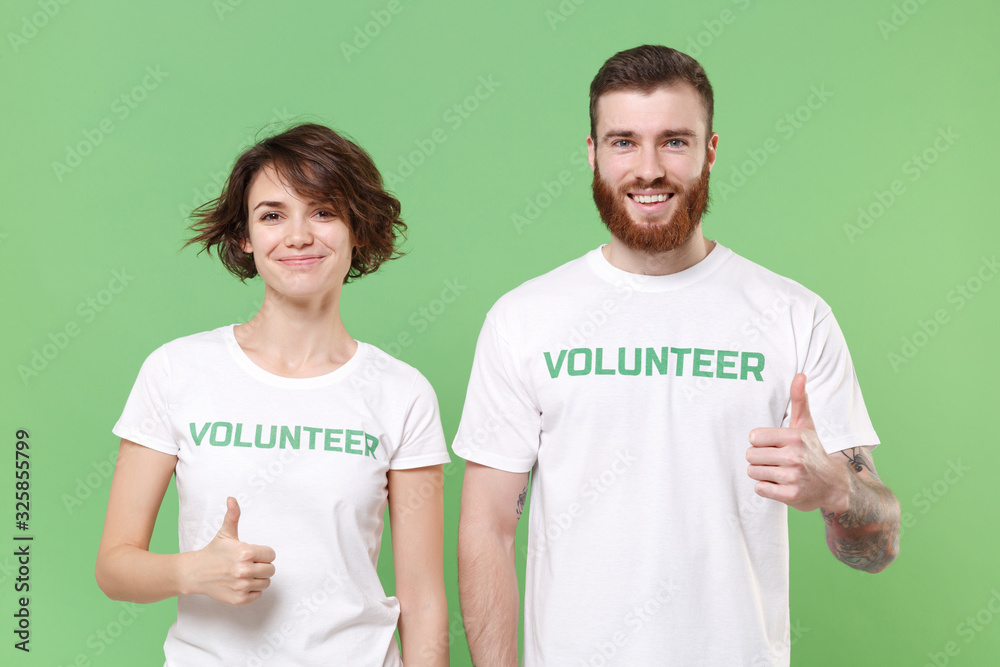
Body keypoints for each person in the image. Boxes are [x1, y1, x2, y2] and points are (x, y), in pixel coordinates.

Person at [454, 45, 900, 666]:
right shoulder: (524, 319)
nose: (649, 169)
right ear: (592, 154)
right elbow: (487, 531)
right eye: (623, 142)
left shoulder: (794, 316)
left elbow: (879, 546)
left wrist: (836, 489)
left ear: (709, 151)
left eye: (674, 142)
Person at [96, 123, 450, 666]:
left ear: (358, 229)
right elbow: (115, 568)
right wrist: (194, 571)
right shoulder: (177, 370)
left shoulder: (402, 392)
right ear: (244, 236)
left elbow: (423, 601)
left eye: (324, 212)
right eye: (272, 215)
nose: (299, 236)